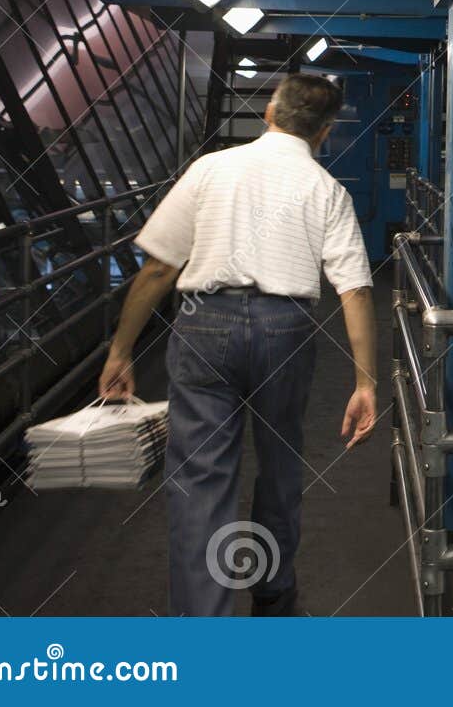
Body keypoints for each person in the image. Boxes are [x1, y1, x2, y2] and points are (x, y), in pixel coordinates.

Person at [98, 73, 378, 616]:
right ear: (324, 133)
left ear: (270, 113)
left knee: (201, 476)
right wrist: (364, 382)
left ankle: (208, 625)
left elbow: (158, 268)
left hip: (205, 322)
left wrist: (120, 351)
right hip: (286, 328)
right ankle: (273, 590)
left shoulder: (211, 169)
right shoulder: (327, 190)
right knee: (280, 462)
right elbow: (355, 290)